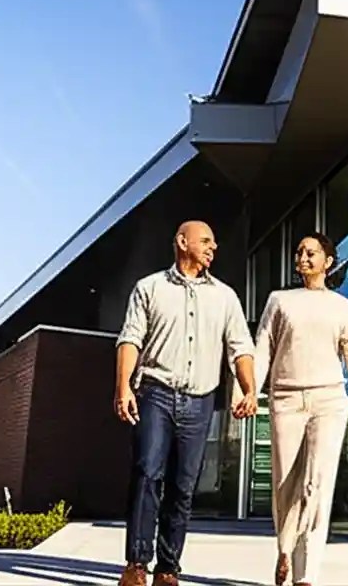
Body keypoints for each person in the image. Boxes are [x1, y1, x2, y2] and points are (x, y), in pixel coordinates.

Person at [113, 220, 259, 586]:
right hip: (156, 394)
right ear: (182, 241)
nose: (213, 247)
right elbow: (130, 338)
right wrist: (123, 388)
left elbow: (240, 346)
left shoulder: (225, 297)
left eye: (214, 242)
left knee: (183, 486)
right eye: (205, 240)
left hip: (200, 401)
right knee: (147, 474)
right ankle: (136, 565)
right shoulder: (149, 287)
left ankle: (167, 568)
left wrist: (249, 389)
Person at [246, 232, 348, 586]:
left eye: (311, 252)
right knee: (286, 485)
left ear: (328, 261)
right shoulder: (279, 301)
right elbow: (263, 351)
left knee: (317, 485)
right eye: (300, 252)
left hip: (329, 402)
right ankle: (285, 549)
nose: (303, 257)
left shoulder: (341, 307)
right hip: (286, 401)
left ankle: (306, 576)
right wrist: (248, 392)